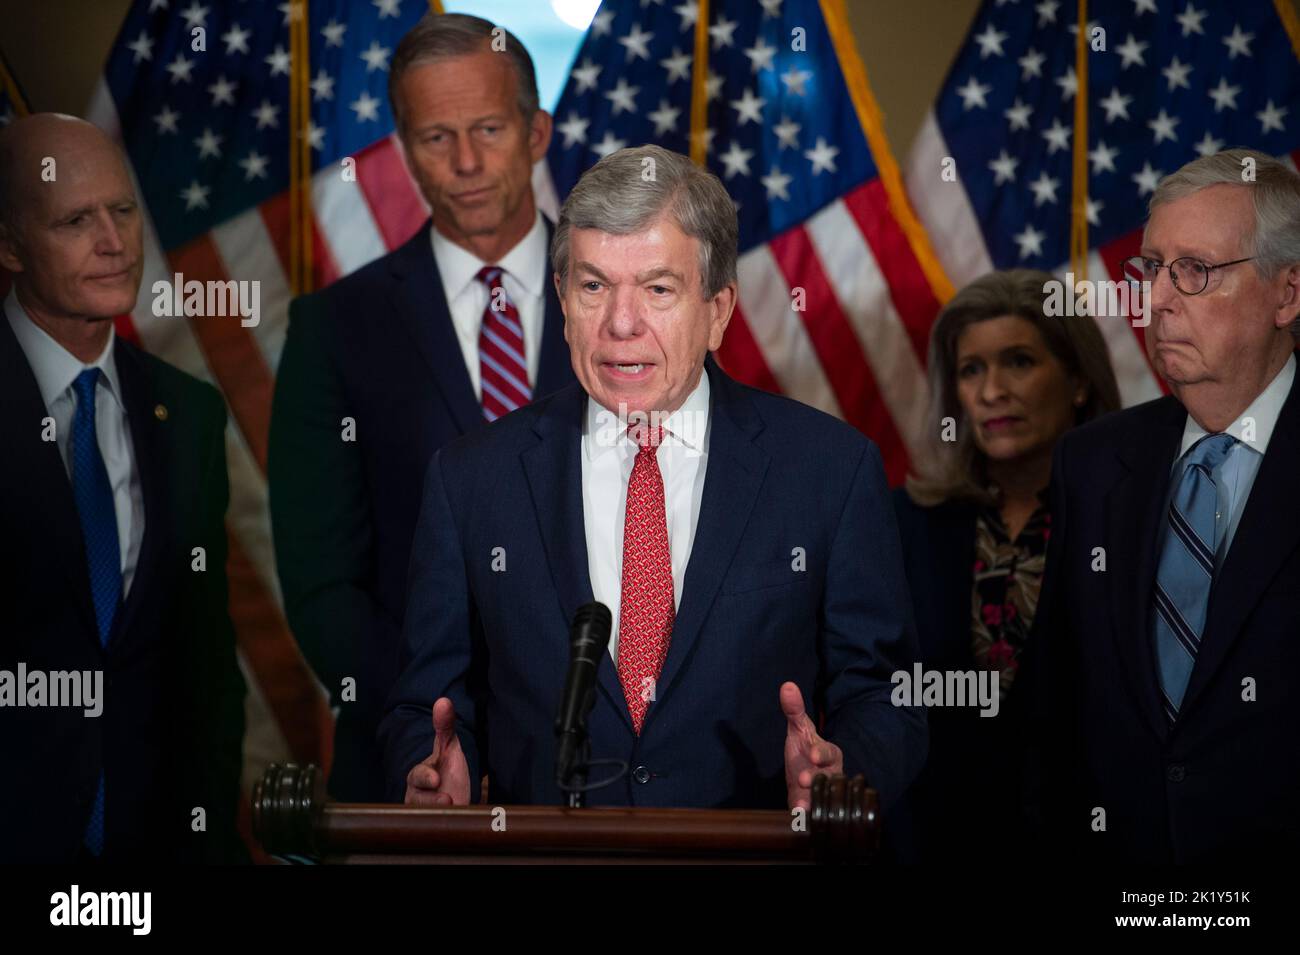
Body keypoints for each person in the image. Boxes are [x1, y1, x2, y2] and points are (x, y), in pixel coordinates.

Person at [380, 144, 926, 812]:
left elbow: (885, 697)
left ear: (718, 309)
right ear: (562, 299)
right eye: (593, 286)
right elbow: (424, 705)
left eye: (658, 289)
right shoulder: (471, 479)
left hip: (753, 857)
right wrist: (430, 767)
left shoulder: (829, 471)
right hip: (549, 857)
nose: (621, 323)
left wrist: (842, 772)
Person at [268, 13, 576, 802]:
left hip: (606, 773)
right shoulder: (335, 328)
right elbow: (323, 586)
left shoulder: (627, 303)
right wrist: (431, 727)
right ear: (404, 150)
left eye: (488, 129)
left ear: (536, 132)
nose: (466, 162)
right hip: (407, 776)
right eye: (436, 137)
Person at [1029, 149, 1300, 863]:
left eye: (1195, 271)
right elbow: (1051, 711)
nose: (1155, 301)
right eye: (1151, 269)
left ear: (1287, 294)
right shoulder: (1091, 463)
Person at [0, 114, 245, 863]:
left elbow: (205, 669)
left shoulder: (189, 412)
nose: (115, 242)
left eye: (124, 210)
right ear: (10, 245)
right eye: (76, 221)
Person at [892, 270, 1119, 862]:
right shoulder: (903, 524)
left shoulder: (1130, 518)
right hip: (934, 847)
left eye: (1019, 362)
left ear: (1077, 380)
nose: (992, 391)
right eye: (971, 370)